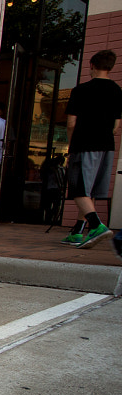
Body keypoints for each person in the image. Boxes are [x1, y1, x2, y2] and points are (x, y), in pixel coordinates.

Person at [61, 49, 122, 248]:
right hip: (106, 146)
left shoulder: (81, 90)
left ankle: (96, 226)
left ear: (92, 66)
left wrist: (72, 145)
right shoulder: (116, 91)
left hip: (83, 144)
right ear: (110, 67)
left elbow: (71, 123)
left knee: (79, 188)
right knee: (90, 189)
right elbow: (116, 124)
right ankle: (78, 231)